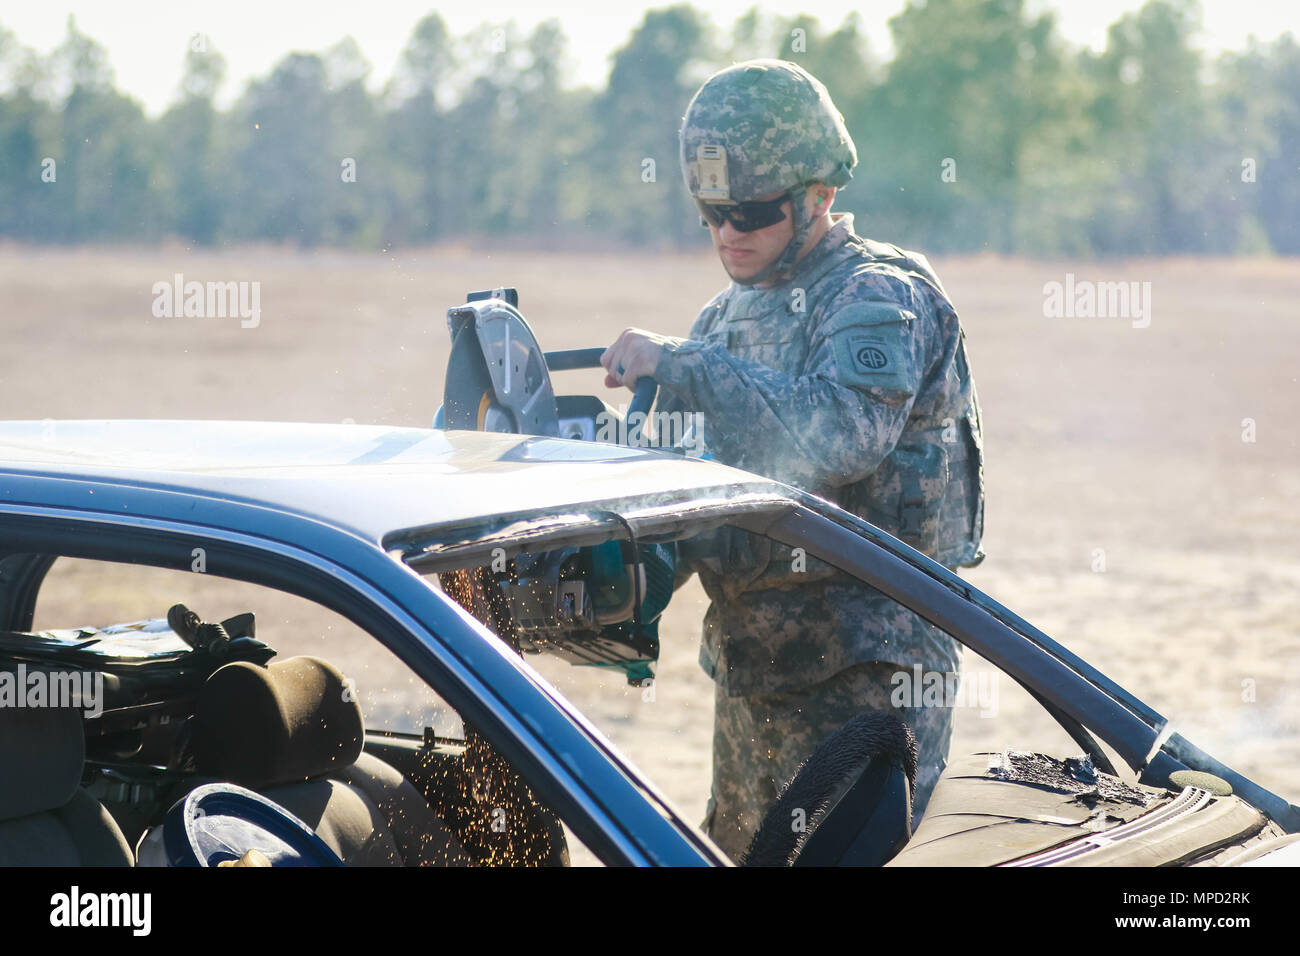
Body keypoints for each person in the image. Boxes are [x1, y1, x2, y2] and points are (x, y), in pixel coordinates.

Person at [600, 58, 985, 861]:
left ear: (819, 195)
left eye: (751, 210)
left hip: (866, 683)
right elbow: (682, 489)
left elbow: (842, 435)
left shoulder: (875, 296)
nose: (728, 233)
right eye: (710, 211)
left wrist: (687, 366)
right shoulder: (721, 319)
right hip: (753, 678)